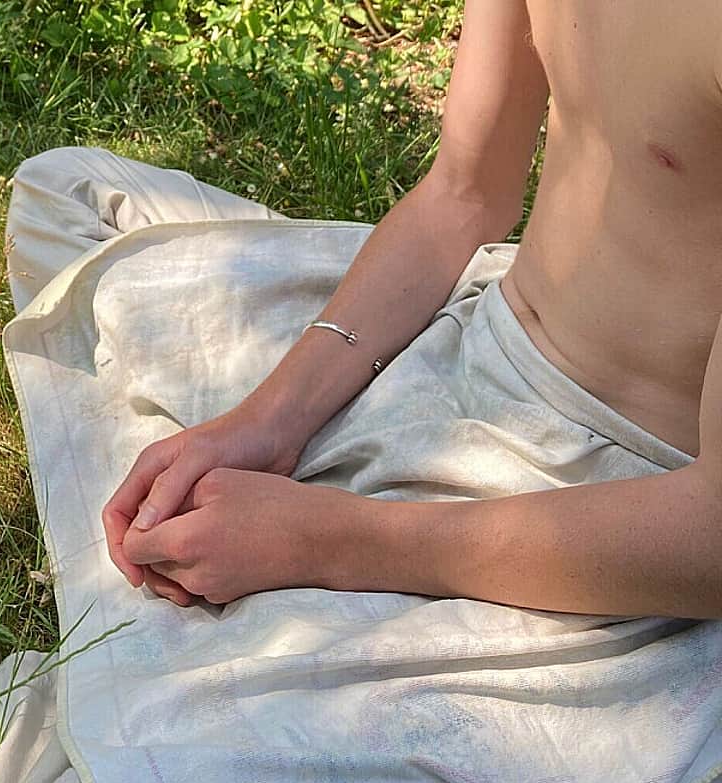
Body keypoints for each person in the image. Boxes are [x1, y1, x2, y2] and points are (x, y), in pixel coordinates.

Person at [79, 0, 722, 616]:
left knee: (178, 700)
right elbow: (463, 194)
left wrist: (327, 541)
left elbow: (711, 536)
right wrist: (269, 417)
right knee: (71, 196)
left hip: (626, 496)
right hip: (480, 338)